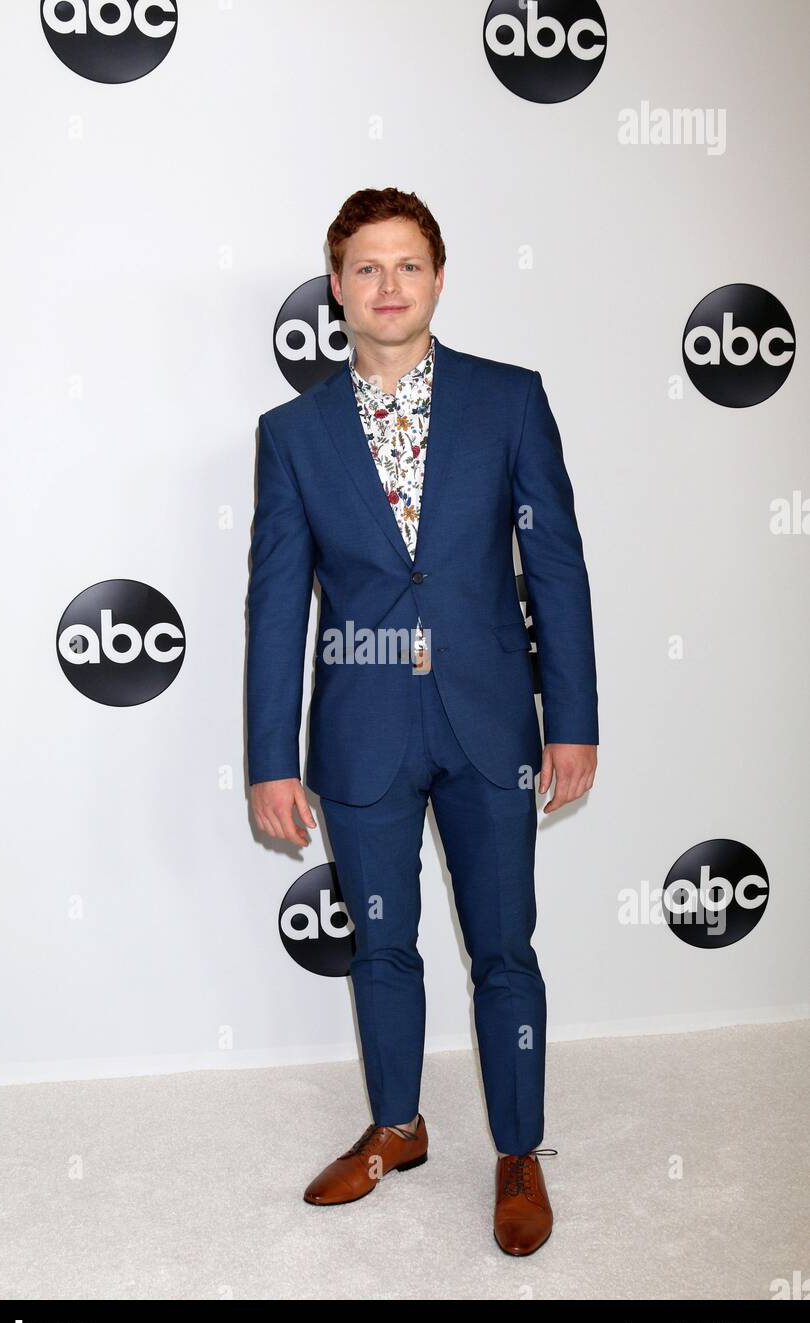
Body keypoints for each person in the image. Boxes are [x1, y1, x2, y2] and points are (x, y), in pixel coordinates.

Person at [246, 187, 598, 1255]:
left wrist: (570, 717)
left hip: (489, 721)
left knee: (503, 948)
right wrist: (270, 756)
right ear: (336, 289)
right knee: (383, 949)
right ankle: (395, 1128)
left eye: (406, 265)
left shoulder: (509, 400)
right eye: (364, 268)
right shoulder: (292, 433)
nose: (386, 286)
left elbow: (556, 569)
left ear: (437, 278)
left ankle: (519, 1150)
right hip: (361, 732)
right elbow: (273, 601)